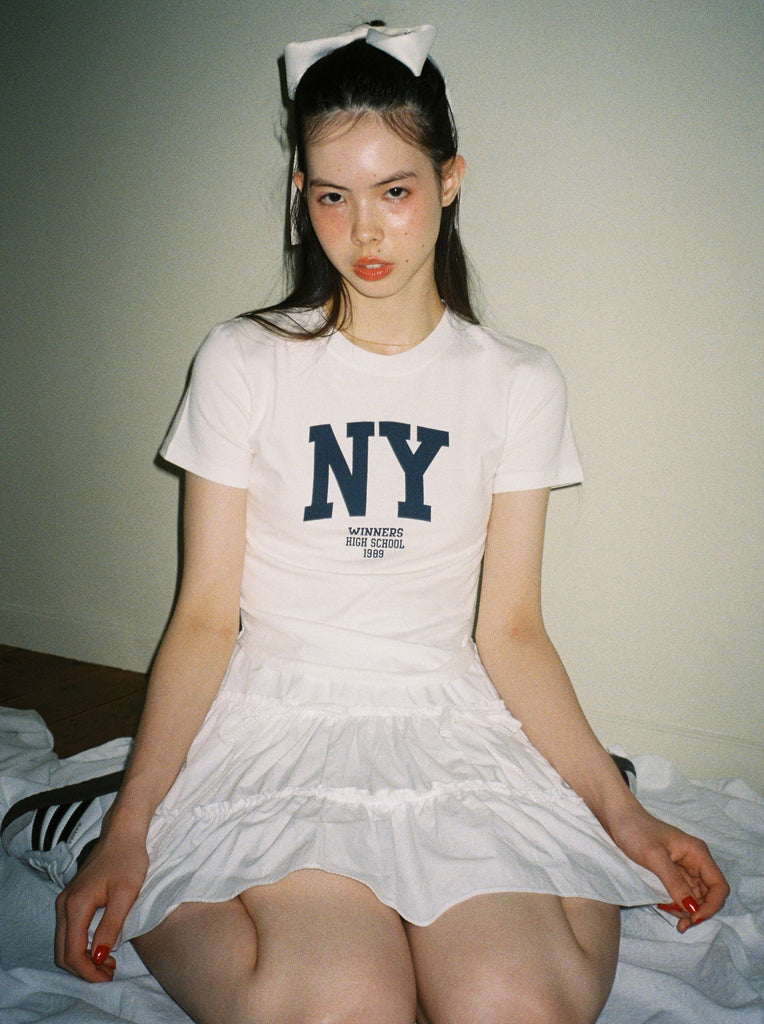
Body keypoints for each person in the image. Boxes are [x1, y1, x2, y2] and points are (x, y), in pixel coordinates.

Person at [3, 23, 728, 1024]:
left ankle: (565, 799)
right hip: (280, 718)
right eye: (332, 197)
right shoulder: (243, 359)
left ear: (449, 180)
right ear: (302, 195)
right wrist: (131, 828)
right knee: (348, 1003)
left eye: (394, 190)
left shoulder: (517, 379)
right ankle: (112, 825)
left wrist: (621, 811)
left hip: (446, 717)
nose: (365, 232)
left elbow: (510, 629)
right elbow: (206, 615)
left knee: (511, 1003)